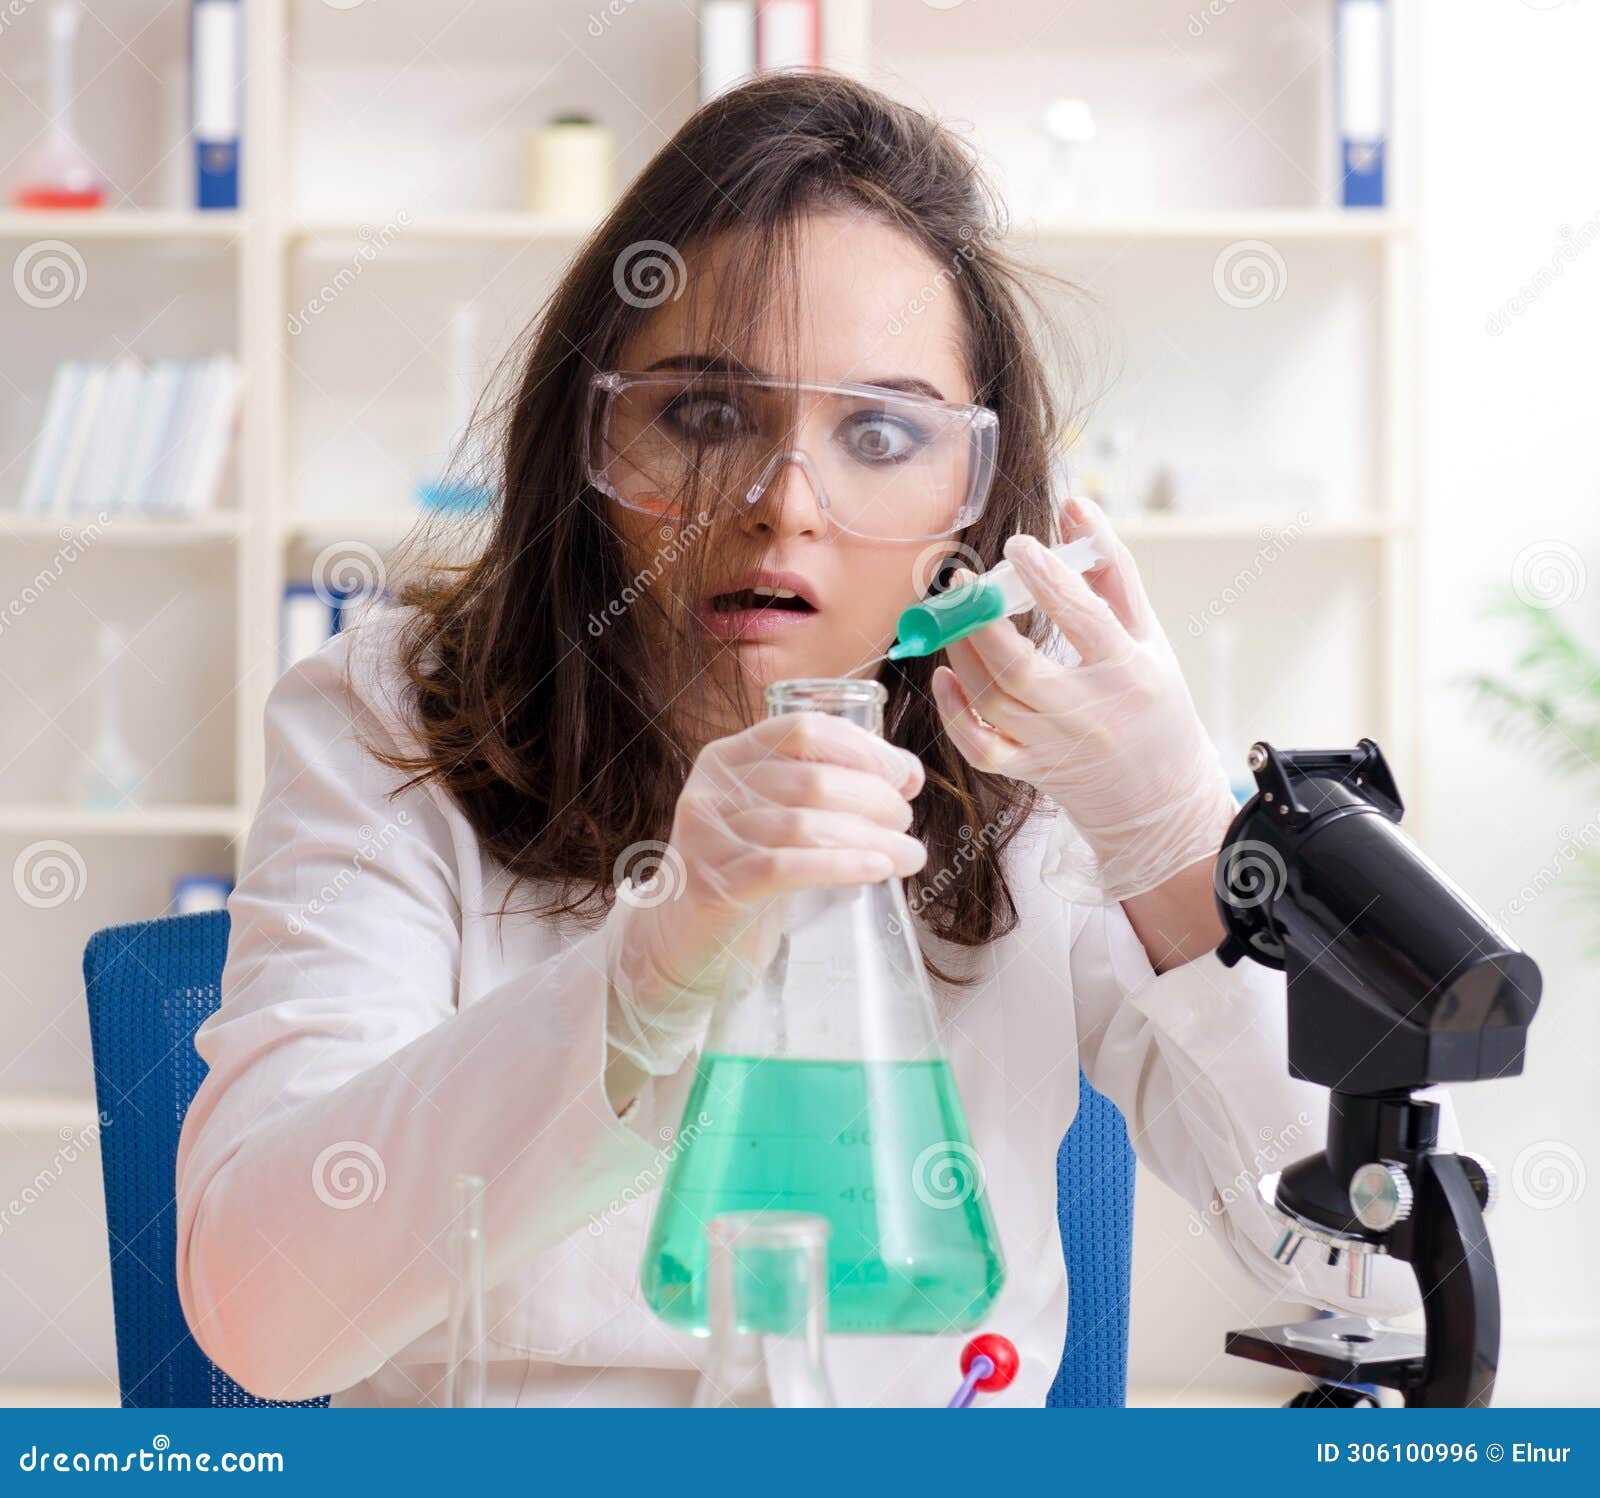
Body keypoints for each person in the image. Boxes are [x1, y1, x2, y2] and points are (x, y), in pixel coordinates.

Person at [175, 72, 1440, 1407]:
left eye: (883, 431)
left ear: (976, 488)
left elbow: (1392, 1271)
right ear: (592, 431)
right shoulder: (398, 711)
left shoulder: (1036, 762)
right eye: (708, 414)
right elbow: (263, 1314)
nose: (786, 506)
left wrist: (1183, 840)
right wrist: (647, 970)